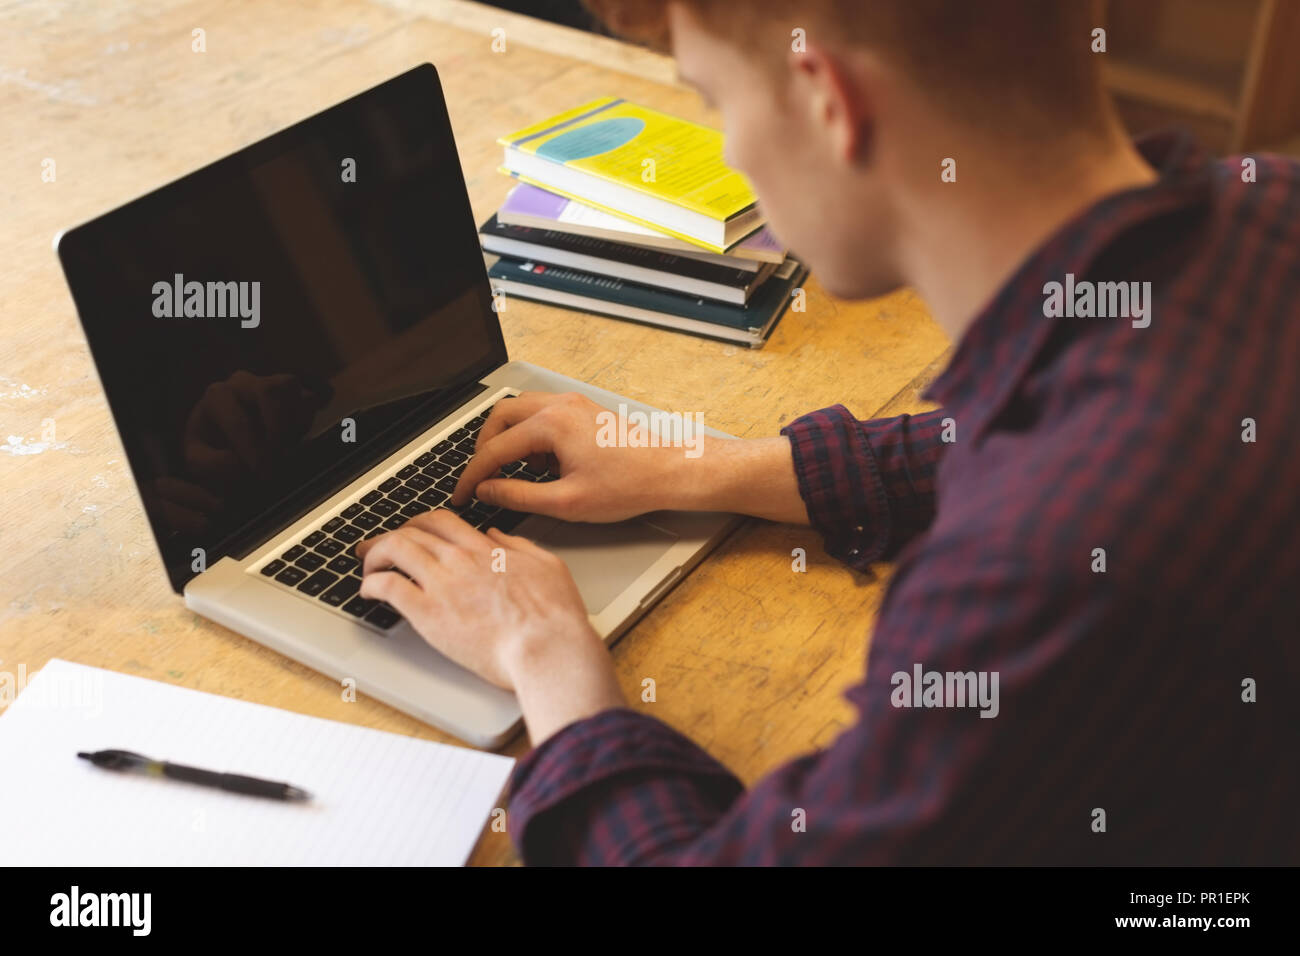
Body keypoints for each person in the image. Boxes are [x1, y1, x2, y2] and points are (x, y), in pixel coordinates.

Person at [356, 0, 1300, 864]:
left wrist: (548, 661)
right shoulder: (1269, 207)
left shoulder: (1040, 577)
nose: (732, 152)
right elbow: (1053, 427)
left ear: (830, 102)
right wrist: (709, 465)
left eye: (717, 100)